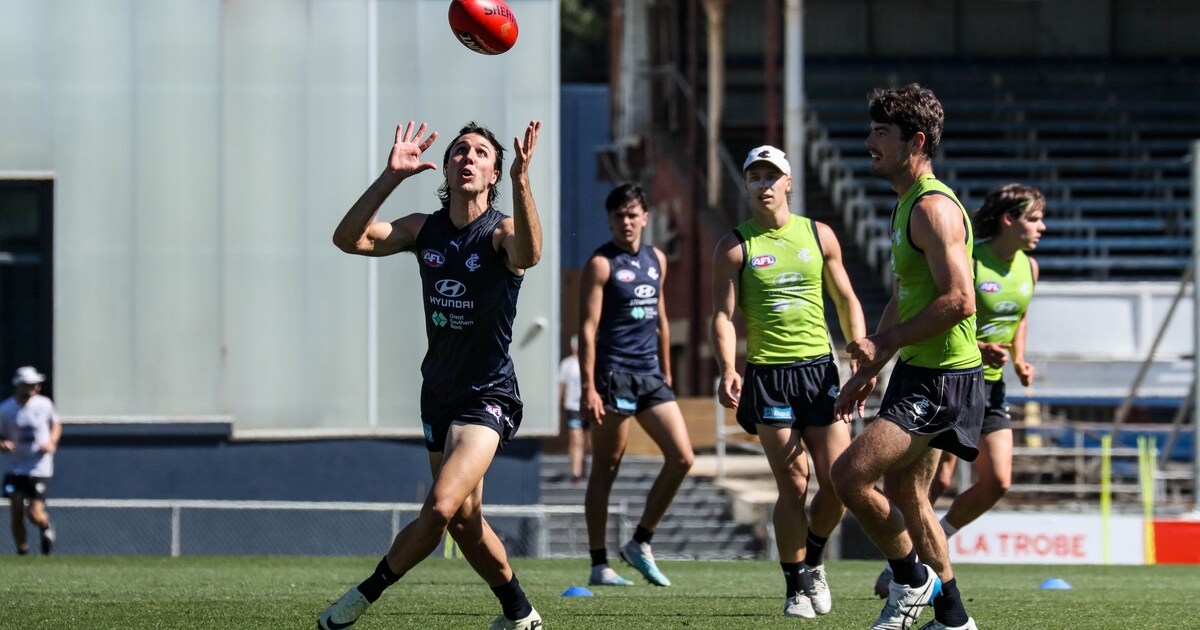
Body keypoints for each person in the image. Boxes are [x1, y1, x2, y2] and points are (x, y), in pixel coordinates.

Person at [318, 119, 544, 630]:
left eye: (481, 153)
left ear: (493, 174)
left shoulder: (504, 231)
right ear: (444, 167)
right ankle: (520, 613)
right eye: (459, 151)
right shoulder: (425, 229)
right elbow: (346, 239)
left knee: (441, 506)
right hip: (438, 392)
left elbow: (531, 254)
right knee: (466, 522)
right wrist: (390, 176)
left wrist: (524, 182)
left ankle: (360, 598)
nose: (468, 157)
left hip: (489, 395)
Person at [832, 84, 984, 630]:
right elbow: (905, 295)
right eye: (871, 129)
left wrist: (885, 345)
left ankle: (912, 579)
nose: (869, 141)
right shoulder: (905, 204)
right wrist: (869, 369)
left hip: (942, 378)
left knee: (849, 475)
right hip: (917, 371)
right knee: (909, 496)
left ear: (915, 142)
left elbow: (960, 299)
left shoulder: (933, 208)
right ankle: (954, 619)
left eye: (882, 133)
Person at [710, 146, 869, 618]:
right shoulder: (735, 246)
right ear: (746, 185)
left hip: (820, 371)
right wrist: (727, 367)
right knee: (794, 483)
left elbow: (846, 299)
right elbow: (721, 315)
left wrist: (861, 354)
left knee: (839, 482)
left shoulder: (819, 236)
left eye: (772, 176)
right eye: (754, 176)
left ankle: (814, 561)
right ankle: (796, 587)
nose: (764, 185)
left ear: (789, 183)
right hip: (769, 377)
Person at [873, 183, 1045, 599]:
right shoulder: (974, 259)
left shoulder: (1031, 268)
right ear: (1009, 220)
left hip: (993, 389)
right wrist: (980, 348)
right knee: (935, 482)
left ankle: (939, 539)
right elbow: (951, 304)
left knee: (999, 481)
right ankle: (906, 566)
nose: (1042, 227)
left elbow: (1018, 315)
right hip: (955, 378)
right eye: (1034, 218)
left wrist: (1019, 357)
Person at [579, 183, 695, 588]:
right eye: (618, 216)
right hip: (614, 376)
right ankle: (598, 563)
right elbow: (587, 329)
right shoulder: (600, 264)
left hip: (651, 377)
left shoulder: (657, 258)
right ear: (610, 220)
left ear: (646, 217)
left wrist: (666, 370)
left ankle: (640, 541)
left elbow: (662, 320)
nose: (626, 222)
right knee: (606, 468)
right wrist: (588, 388)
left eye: (632, 215)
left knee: (682, 457)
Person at [1, 366, 61, 556]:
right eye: (30, 385)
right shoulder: (6, 409)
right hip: (16, 468)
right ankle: (23, 552)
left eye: (36, 384)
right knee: (16, 512)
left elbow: (56, 425)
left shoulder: (44, 405)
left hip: (39, 468)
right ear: (19, 386)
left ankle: (45, 526)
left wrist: (51, 442)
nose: (35, 388)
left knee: (34, 514)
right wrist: (2, 444)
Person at [558, 335, 589, 484]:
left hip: (587, 406)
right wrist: (559, 404)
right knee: (575, 439)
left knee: (586, 440)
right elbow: (561, 386)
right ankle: (576, 472)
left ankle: (583, 464)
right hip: (572, 406)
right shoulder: (567, 364)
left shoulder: (590, 362)